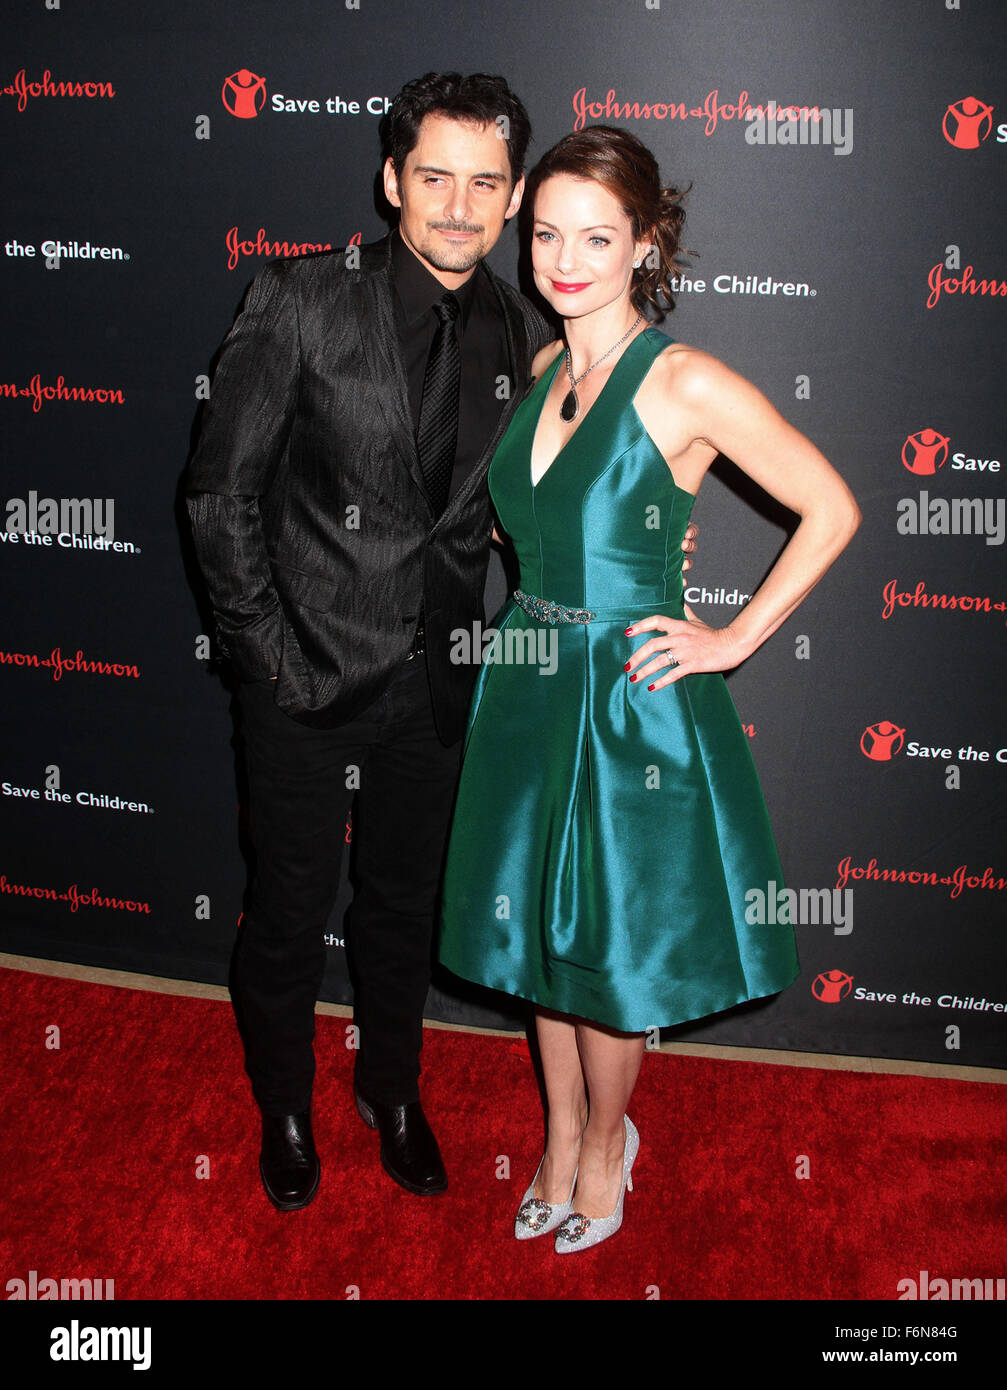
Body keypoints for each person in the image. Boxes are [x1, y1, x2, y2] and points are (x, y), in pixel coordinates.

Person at [184, 71, 703, 1212]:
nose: (459, 207)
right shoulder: (302, 298)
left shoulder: (529, 332)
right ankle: (284, 1109)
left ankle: (392, 1090)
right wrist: (270, 659)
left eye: (484, 183)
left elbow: (552, 497)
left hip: (444, 688)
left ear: (513, 197)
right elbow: (218, 497)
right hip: (301, 680)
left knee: (402, 908)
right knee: (287, 911)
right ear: (391, 181)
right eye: (434, 178)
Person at [438, 125, 861, 1252]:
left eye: (596, 237)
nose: (565, 260)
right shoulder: (542, 371)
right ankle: (557, 1133)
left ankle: (603, 1143)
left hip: (627, 704)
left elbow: (830, 506)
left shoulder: (683, 380)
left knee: (605, 952)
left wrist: (732, 639)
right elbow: (528, 524)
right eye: (546, 236)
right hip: (528, 683)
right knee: (540, 939)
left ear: (642, 245)